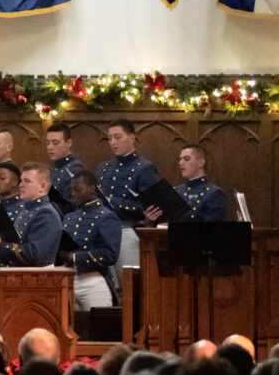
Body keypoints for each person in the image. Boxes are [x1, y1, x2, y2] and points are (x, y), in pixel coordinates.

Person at [96, 118, 158, 280]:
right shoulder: (104, 168)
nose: (113, 142)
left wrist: (113, 202)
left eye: (117, 137)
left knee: (130, 284)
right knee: (111, 287)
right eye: (110, 138)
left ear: (131, 137)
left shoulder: (144, 167)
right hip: (102, 232)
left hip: (127, 231)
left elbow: (149, 208)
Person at [60, 172, 120, 309]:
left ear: (92, 189)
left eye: (78, 189)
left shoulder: (107, 216)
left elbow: (110, 254)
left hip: (94, 280)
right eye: (72, 190)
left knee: (97, 327)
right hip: (68, 278)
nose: (73, 194)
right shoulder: (69, 217)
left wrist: (74, 257)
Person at [0, 164, 63, 268]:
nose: (20, 185)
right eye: (21, 180)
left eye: (27, 181)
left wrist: (0, 245)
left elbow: (33, 254)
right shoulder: (25, 211)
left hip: (39, 278)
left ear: (43, 186)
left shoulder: (46, 213)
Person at [146, 144, 226, 224]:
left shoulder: (214, 193)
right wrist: (151, 220)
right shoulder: (175, 191)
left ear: (200, 163)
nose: (180, 163)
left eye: (186, 159)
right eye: (180, 159)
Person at [45, 121, 87, 205]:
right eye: (48, 143)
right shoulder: (54, 167)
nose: (50, 147)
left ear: (68, 143)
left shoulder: (75, 169)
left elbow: (73, 206)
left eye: (55, 142)